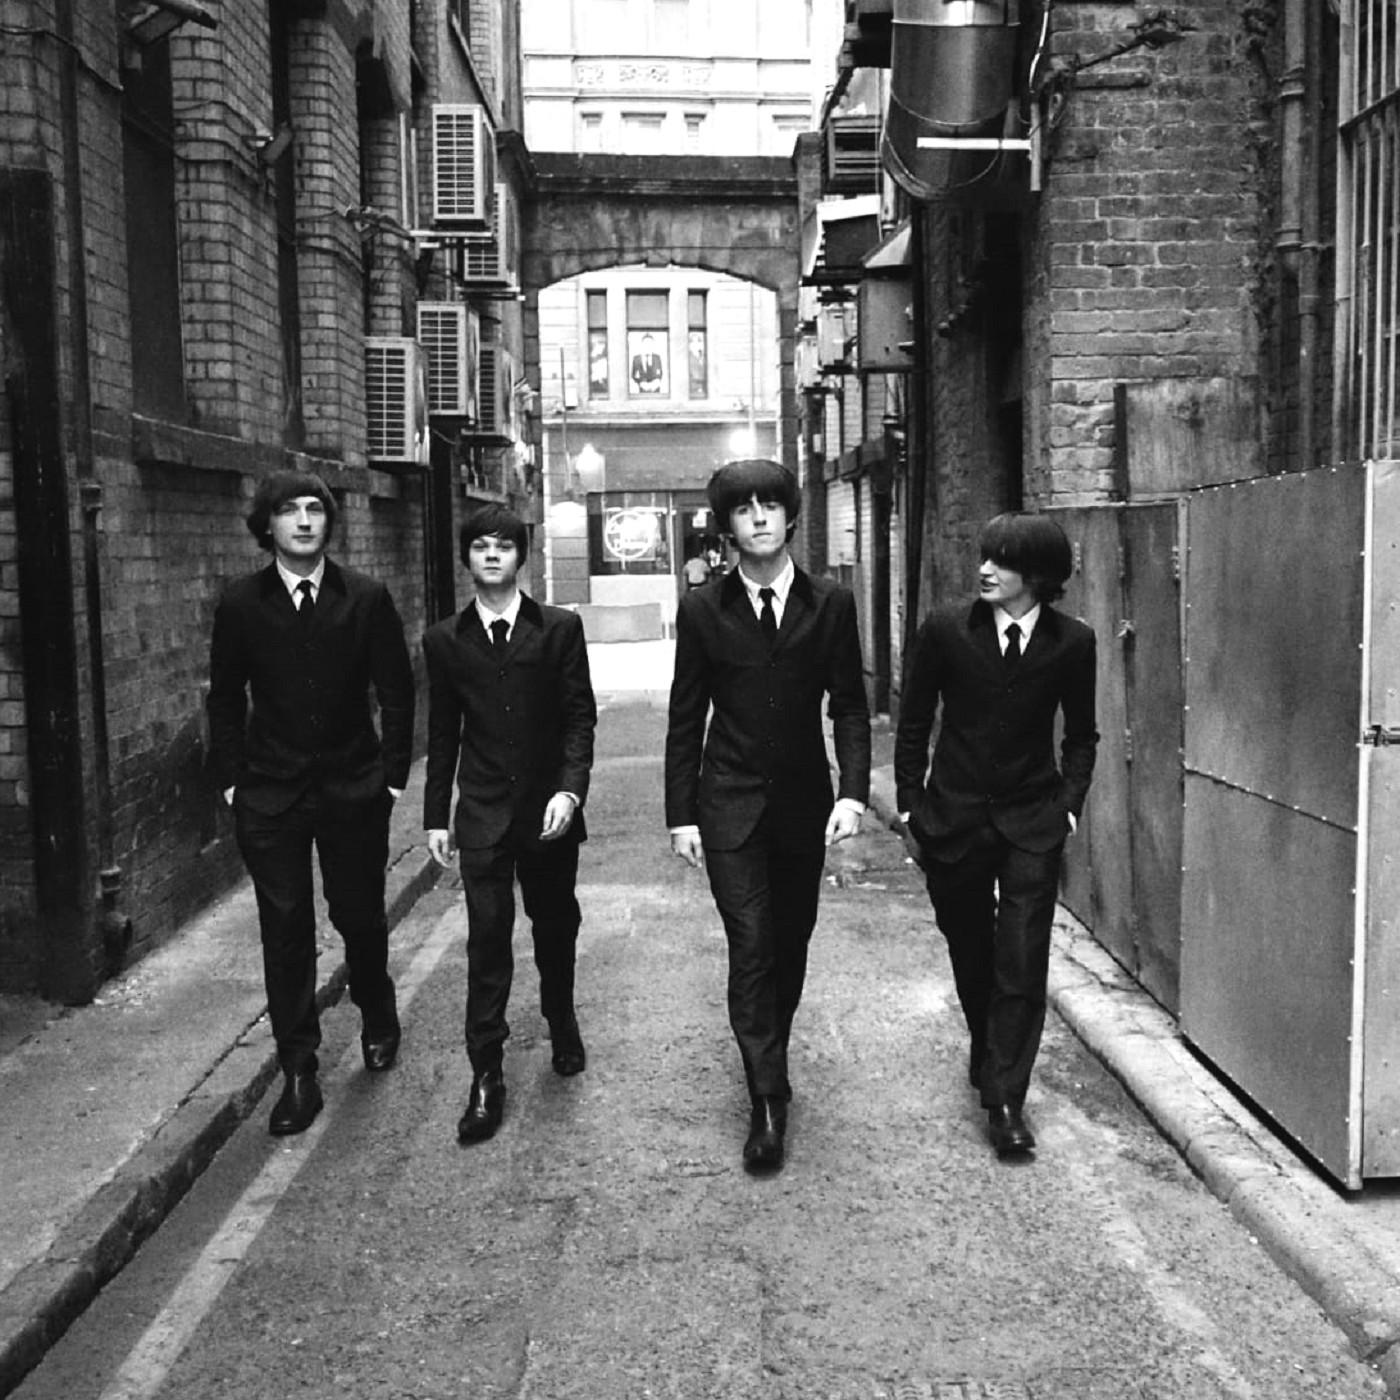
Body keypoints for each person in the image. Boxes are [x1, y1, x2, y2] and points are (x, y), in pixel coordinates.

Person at [665, 459, 871, 1173]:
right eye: (743, 509)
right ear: (726, 527)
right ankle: (767, 1097)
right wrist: (680, 814)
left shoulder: (831, 604)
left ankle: (768, 1050)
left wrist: (852, 792)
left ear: (789, 517)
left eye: (770, 506)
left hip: (802, 805)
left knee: (791, 942)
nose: (758, 518)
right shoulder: (702, 610)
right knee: (751, 943)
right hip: (726, 803)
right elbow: (686, 715)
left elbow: (848, 702)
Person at [207, 471, 414, 1136]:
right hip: (270, 792)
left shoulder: (365, 597)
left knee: (357, 914)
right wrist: (233, 781)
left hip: (353, 786)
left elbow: (397, 687)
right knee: (285, 926)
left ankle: (376, 1008)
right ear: (266, 526)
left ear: (327, 523)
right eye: (288, 511)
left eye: (314, 510)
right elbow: (224, 696)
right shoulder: (241, 603)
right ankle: (299, 1069)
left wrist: (391, 775)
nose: (303, 521)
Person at [894, 512, 1097, 1158]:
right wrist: (908, 806)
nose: (985, 569)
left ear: (1036, 576)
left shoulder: (1073, 642)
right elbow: (913, 718)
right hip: (952, 819)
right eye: (985, 556)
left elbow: (1082, 735)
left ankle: (1006, 1097)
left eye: (1002, 561)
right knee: (968, 945)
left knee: (1022, 954)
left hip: (1032, 821)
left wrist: (1069, 806)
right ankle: (988, 1044)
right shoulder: (946, 631)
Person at [423, 504, 597, 1145]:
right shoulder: (444, 640)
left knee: (555, 925)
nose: (492, 556)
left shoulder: (558, 630)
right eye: (479, 547)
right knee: (487, 942)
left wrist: (570, 792)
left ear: (522, 558)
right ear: (467, 559)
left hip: (548, 812)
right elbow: (443, 734)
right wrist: (434, 816)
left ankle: (561, 1016)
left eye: (503, 546)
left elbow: (580, 718)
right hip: (483, 814)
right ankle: (486, 1075)